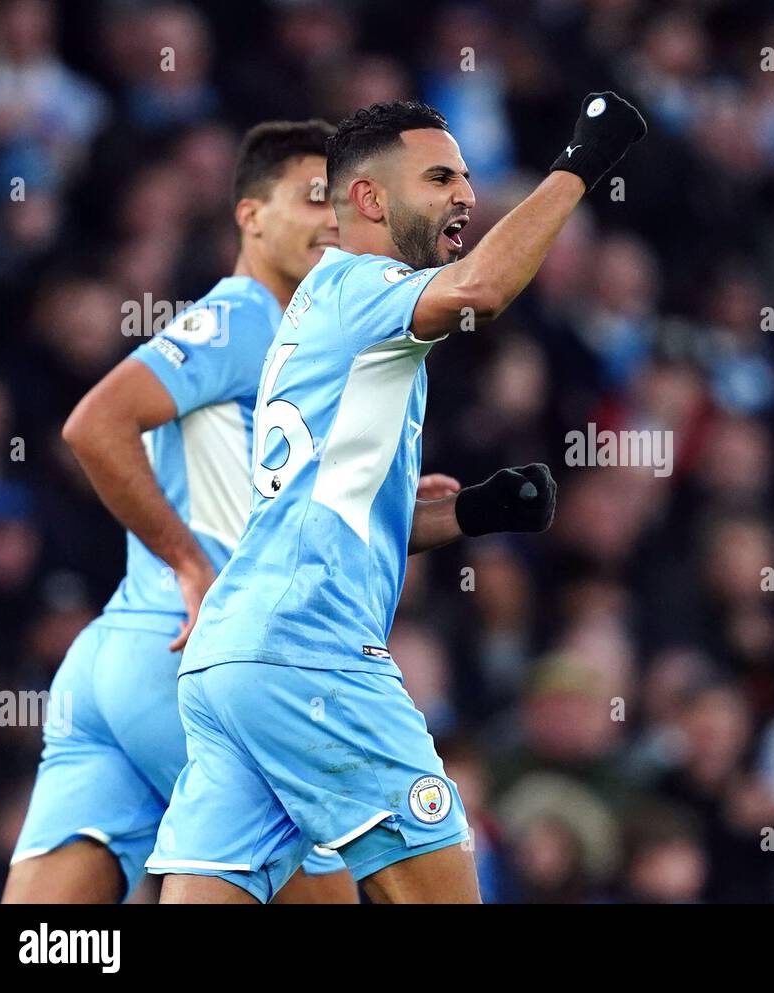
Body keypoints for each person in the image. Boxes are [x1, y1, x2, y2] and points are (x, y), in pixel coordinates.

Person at [149, 92, 646, 904]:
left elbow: (324, 514)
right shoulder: (360, 285)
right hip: (315, 650)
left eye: (467, 177)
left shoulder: (311, 314)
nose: (464, 195)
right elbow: (482, 287)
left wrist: (475, 511)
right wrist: (583, 161)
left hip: (235, 661)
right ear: (370, 199)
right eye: (440, 177)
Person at [4, 120, 374, 903]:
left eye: (341, 204)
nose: (331, 220)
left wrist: (459, 513)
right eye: (312, 198)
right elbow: (94, 424)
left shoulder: (304, 358)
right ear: (250, 216)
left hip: (116, 664)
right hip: (197, 663)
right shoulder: (247, 317)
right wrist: (187, 560)